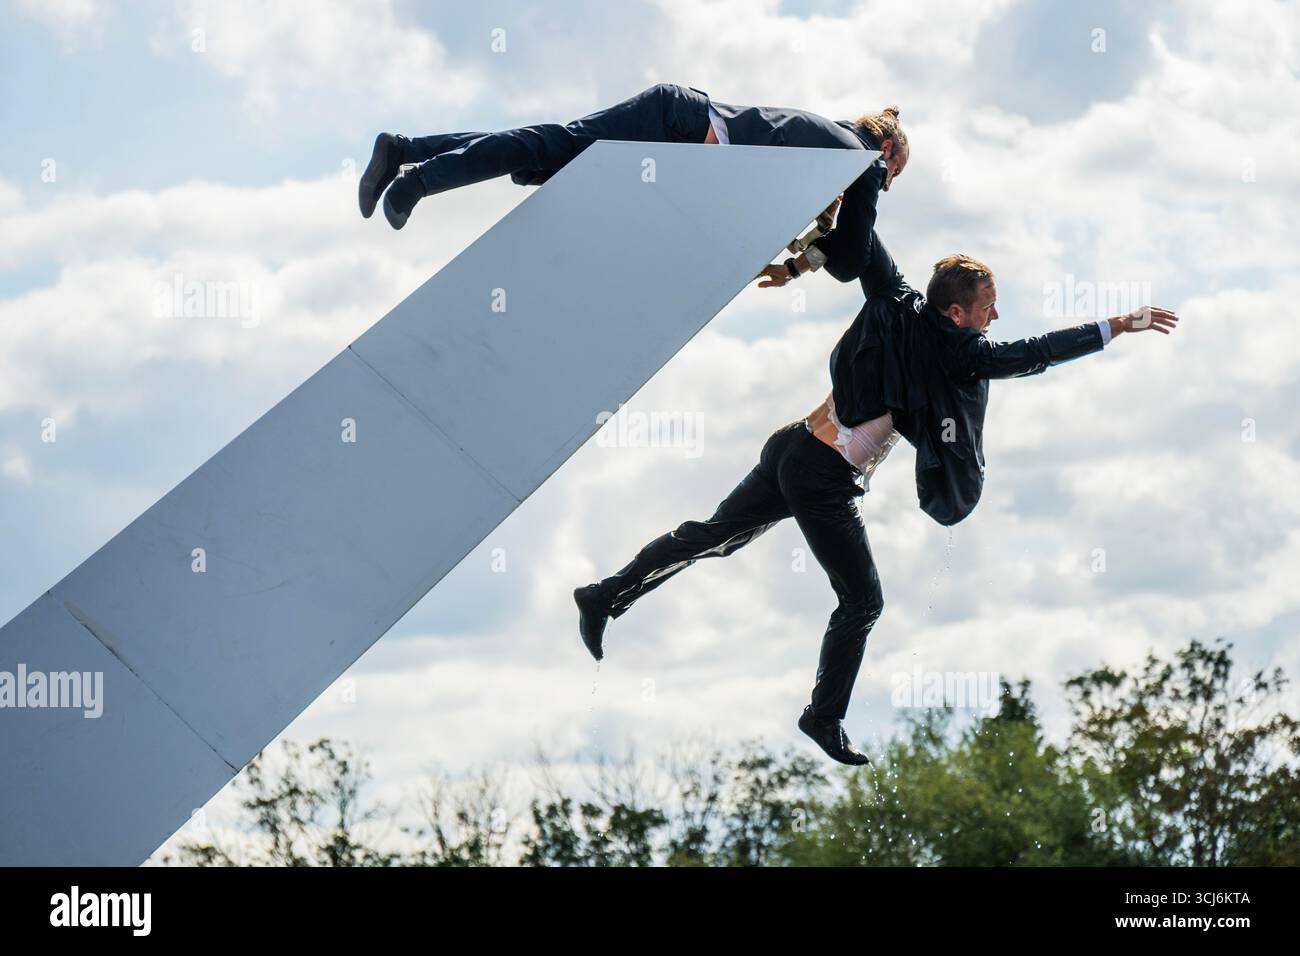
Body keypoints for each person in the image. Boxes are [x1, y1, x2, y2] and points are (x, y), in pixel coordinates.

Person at [573, 238, 1178, 764]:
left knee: (711, 536)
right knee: (862, 601)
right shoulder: (958, 351)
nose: (998, 314)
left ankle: (606, 594)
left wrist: (862, 175)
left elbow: (868, 247)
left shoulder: (899, 304)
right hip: (822, 475)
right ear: (957, 312)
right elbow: (1034, 352)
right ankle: (823, 716)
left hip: (791, 444)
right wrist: (1117, 325)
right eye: (989, 305)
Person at [358, 82, 907, 284]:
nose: (883, 188)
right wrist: (817, 246)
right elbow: (852, 263)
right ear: (885, 151)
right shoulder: (860, 159)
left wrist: (806, 244)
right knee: (549, 149)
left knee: (544, 155)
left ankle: (405, 152)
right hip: (676, 129)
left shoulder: (826, 149)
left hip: (674, 133)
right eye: (891, 176)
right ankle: (420, 180)